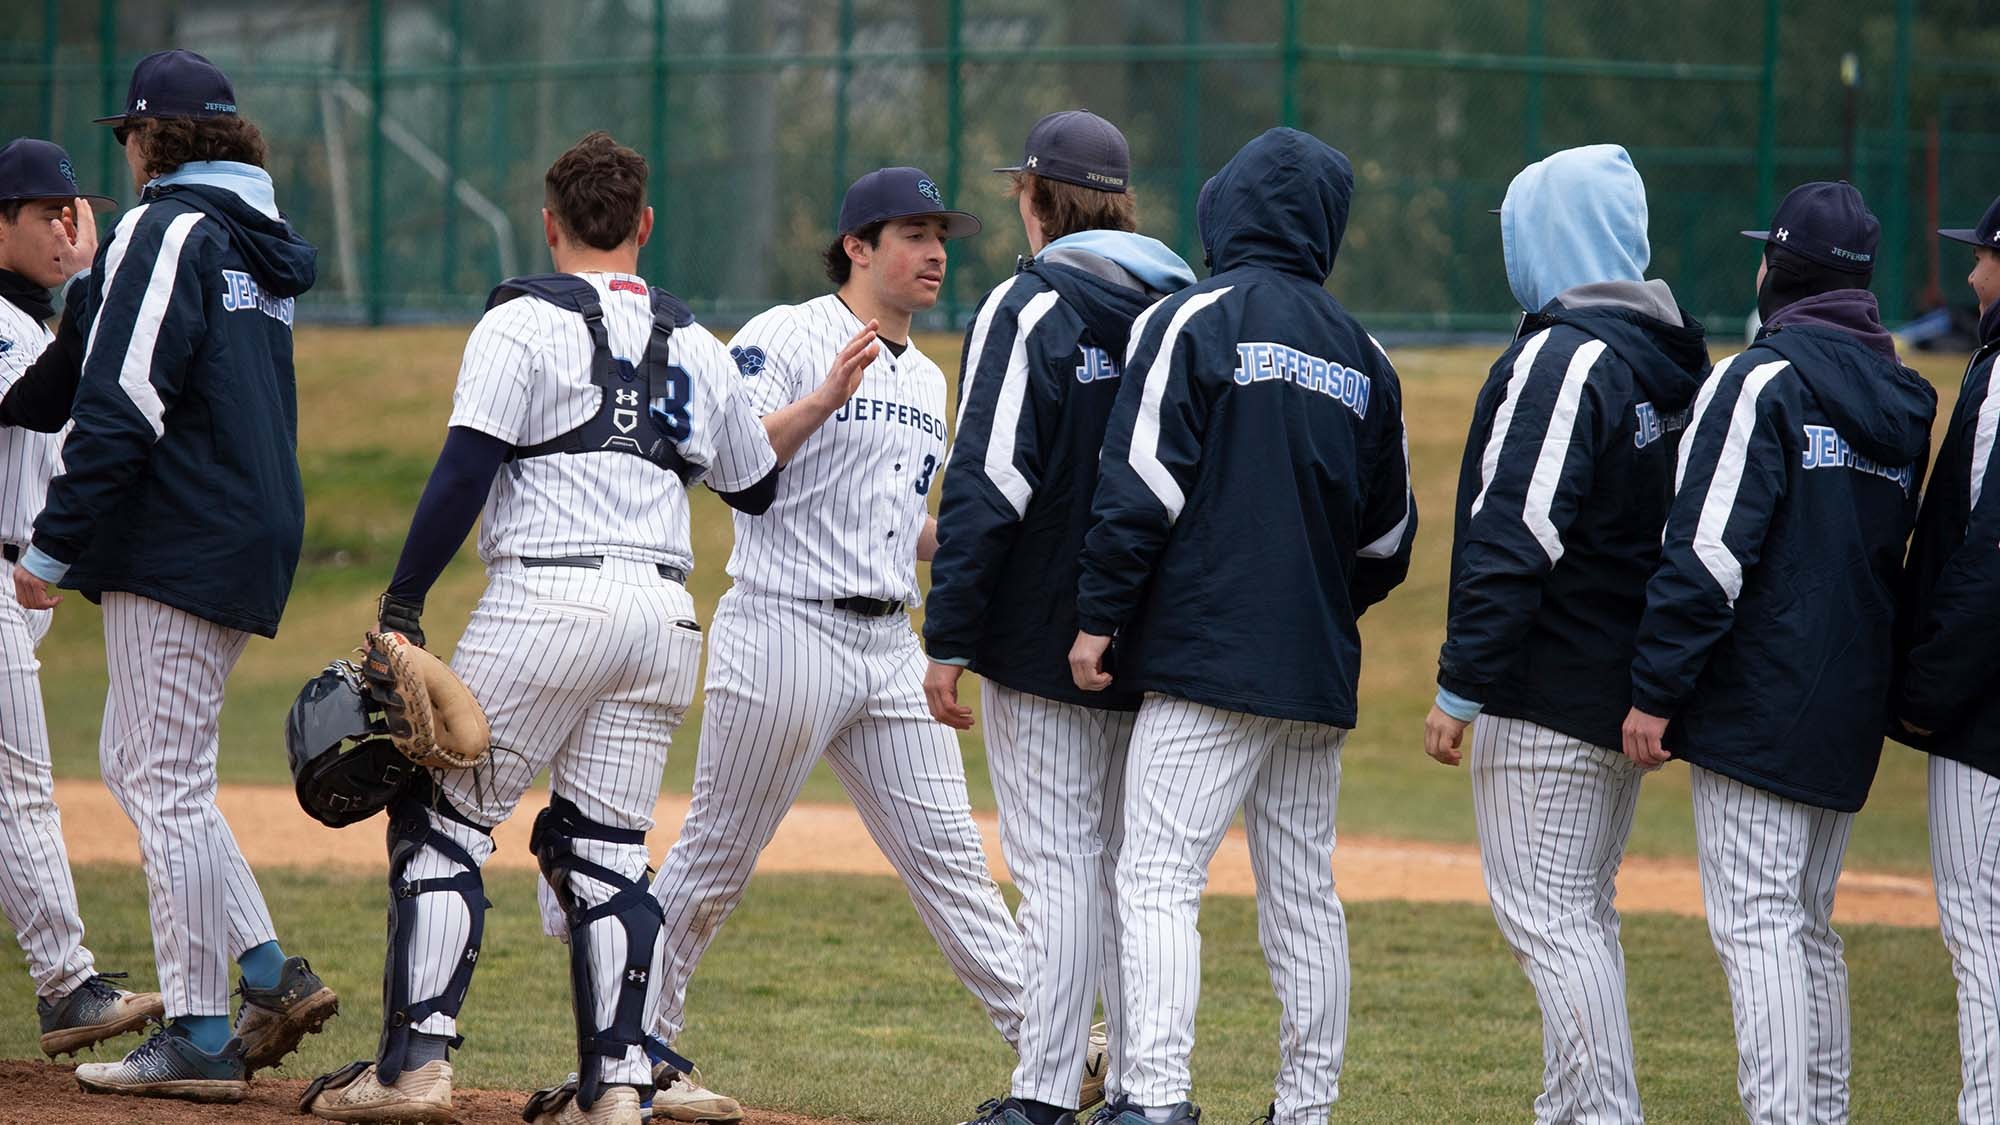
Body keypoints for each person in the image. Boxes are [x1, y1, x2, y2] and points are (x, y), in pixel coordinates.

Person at [301, 131, 778, 1125]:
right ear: (644, 225)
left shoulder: (519, 322)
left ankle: (413, 1069)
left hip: (547, 601)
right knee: (605, 850)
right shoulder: (698, 343)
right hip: (662, 615)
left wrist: (401, 601)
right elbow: (757, 485)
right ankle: (616, 1089)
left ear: (551, 226)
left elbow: (465, 468)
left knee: (443, 819)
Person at [640, 167, 1060, 1121]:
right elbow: (730, 466)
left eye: (940, 234)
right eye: (912, 233)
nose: (935, 251)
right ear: (858, 247)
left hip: (888, 644)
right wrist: (825, 396)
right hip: (784, 621)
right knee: (714, 859)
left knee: (953, 861)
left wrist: (988, 565)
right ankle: (638, 1045)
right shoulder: (785, 335)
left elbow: (906, 518)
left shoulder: (929, 374)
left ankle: (1053, 1048)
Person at [1070, 127, 1416, 1125]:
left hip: (1206, 657)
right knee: (1302, 894)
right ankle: (1304, 1110)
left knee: (1155, 876)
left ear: (1230, 211)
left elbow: (1134, 486)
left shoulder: (1192, 319)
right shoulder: (1365, 355)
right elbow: (1387, 539)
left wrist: (1098, 618)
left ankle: (1155, 1098)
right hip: (1310, 669)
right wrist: (1313, 603)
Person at [11, 48, 334, 1102]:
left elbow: (125, 404)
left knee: (160, 779)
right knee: (145, 764)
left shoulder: (166, 226)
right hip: (246, 523)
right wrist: (99, 284)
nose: (126, 157)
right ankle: (266, 971)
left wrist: (52, 547)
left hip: (181, 531)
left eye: (129, 137)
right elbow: (65, 382)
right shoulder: (241, 237)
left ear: (155, 139)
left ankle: (197, 1035)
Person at [1623, 181, 1935, 1124]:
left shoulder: (1759, 378)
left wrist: (1656, 689)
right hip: (1849, 702)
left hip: (1759, 698)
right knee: (1807, 926)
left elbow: (1709, 550)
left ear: (1781, 270)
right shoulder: (1908, 399)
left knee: (1757, 926)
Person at [1422, 144, 1708, 1122]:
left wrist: (1460, 686)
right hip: (1617, 682)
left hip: (1547, 692)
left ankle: (1597, 1114)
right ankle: (1577, 1108)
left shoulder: (1563, 353)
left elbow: (1516, 531)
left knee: (1549, 919)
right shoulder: (1667, 357)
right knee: (1581, 917)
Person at [925, 110, 1195, 1125]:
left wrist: (948, 635)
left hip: (1039, 631)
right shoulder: (1181, 305)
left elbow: (988, 481)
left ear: (1036, 198)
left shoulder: (1029, 303)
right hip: (1154, 634)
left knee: (1057, 871)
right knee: (1135, 876)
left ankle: (1042, 1089)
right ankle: (1135, 1087)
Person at [0, 136, 166, 1060]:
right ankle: (67, 984)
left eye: (74, 210)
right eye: (44, 213)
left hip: (15, 575)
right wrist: (92, 291)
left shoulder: (33, 316)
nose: (66, 226)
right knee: (22, 791)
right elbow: (28, 405)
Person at [1892, 192, 2000, 1124]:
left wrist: (1927, 691)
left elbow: (1989, 553)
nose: (1972, 274)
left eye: (1985, 257)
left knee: (1983, 932)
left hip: (1984, 718)